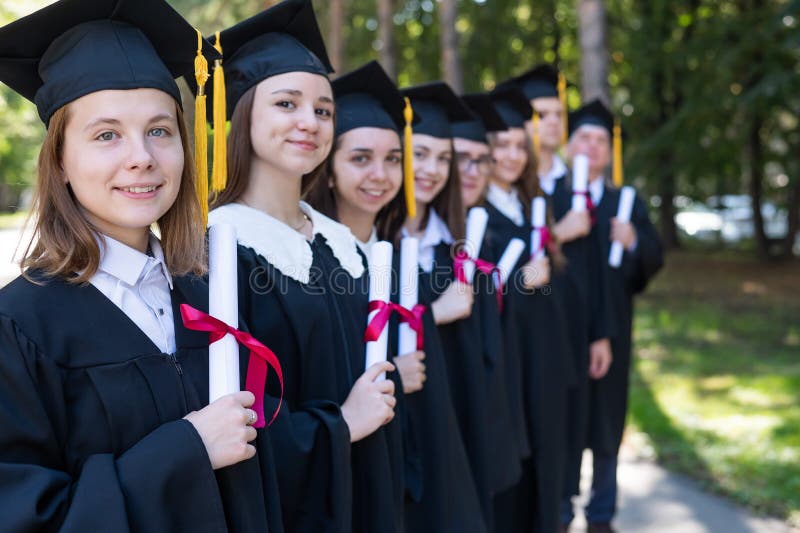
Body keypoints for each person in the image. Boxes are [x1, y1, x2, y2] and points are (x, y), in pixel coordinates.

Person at [0, 0, 285, 531]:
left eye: (160, 130)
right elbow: (27, 516)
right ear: (60, 159)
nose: (142, 157)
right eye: (107, 135)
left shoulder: (210, 293)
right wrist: (187, 450)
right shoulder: (19, 327)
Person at [204, 2, 403, 531]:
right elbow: (238, 419)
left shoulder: (342, 244)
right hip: (290, 512)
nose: (309, 122)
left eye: (322, 110)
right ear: (243, 112)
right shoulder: (217, 249)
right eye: (286, 103)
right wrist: (341, 425)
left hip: (366, 489)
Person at [305, 60, 487, 533]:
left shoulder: (395, 256)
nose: (382, 175)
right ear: (327, 171)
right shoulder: (312, 263)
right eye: (360, 159)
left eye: (393, 159)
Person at [400, 81, 517, 527]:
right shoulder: (369, 248)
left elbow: (486, 363)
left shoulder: (459, 252)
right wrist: (434, 315)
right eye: (419, 155)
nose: (432, 169)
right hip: (405, 436)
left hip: (460, 432)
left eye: (442, 158)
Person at [567, 100, 664, 533]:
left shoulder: (624, 202)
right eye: (584, 137)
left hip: (615, 331)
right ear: (569, 145)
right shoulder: (549, 198)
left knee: (607, 424)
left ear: (611, 150)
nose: (592, 146)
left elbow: (653, 257)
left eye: (601, 140)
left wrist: (632, 242)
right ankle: (559, 507)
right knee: (563, 421)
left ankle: (601, 516)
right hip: (562, 333)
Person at [483, 84, 572, 533]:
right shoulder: (474, 214)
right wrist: (521, 281)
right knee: (515, 467)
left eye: (521, 146)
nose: (513, 156)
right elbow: (479, 293)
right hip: (509, 359)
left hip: (545, 358)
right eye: (501, 146)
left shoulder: (532, 204)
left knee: (547, 458)